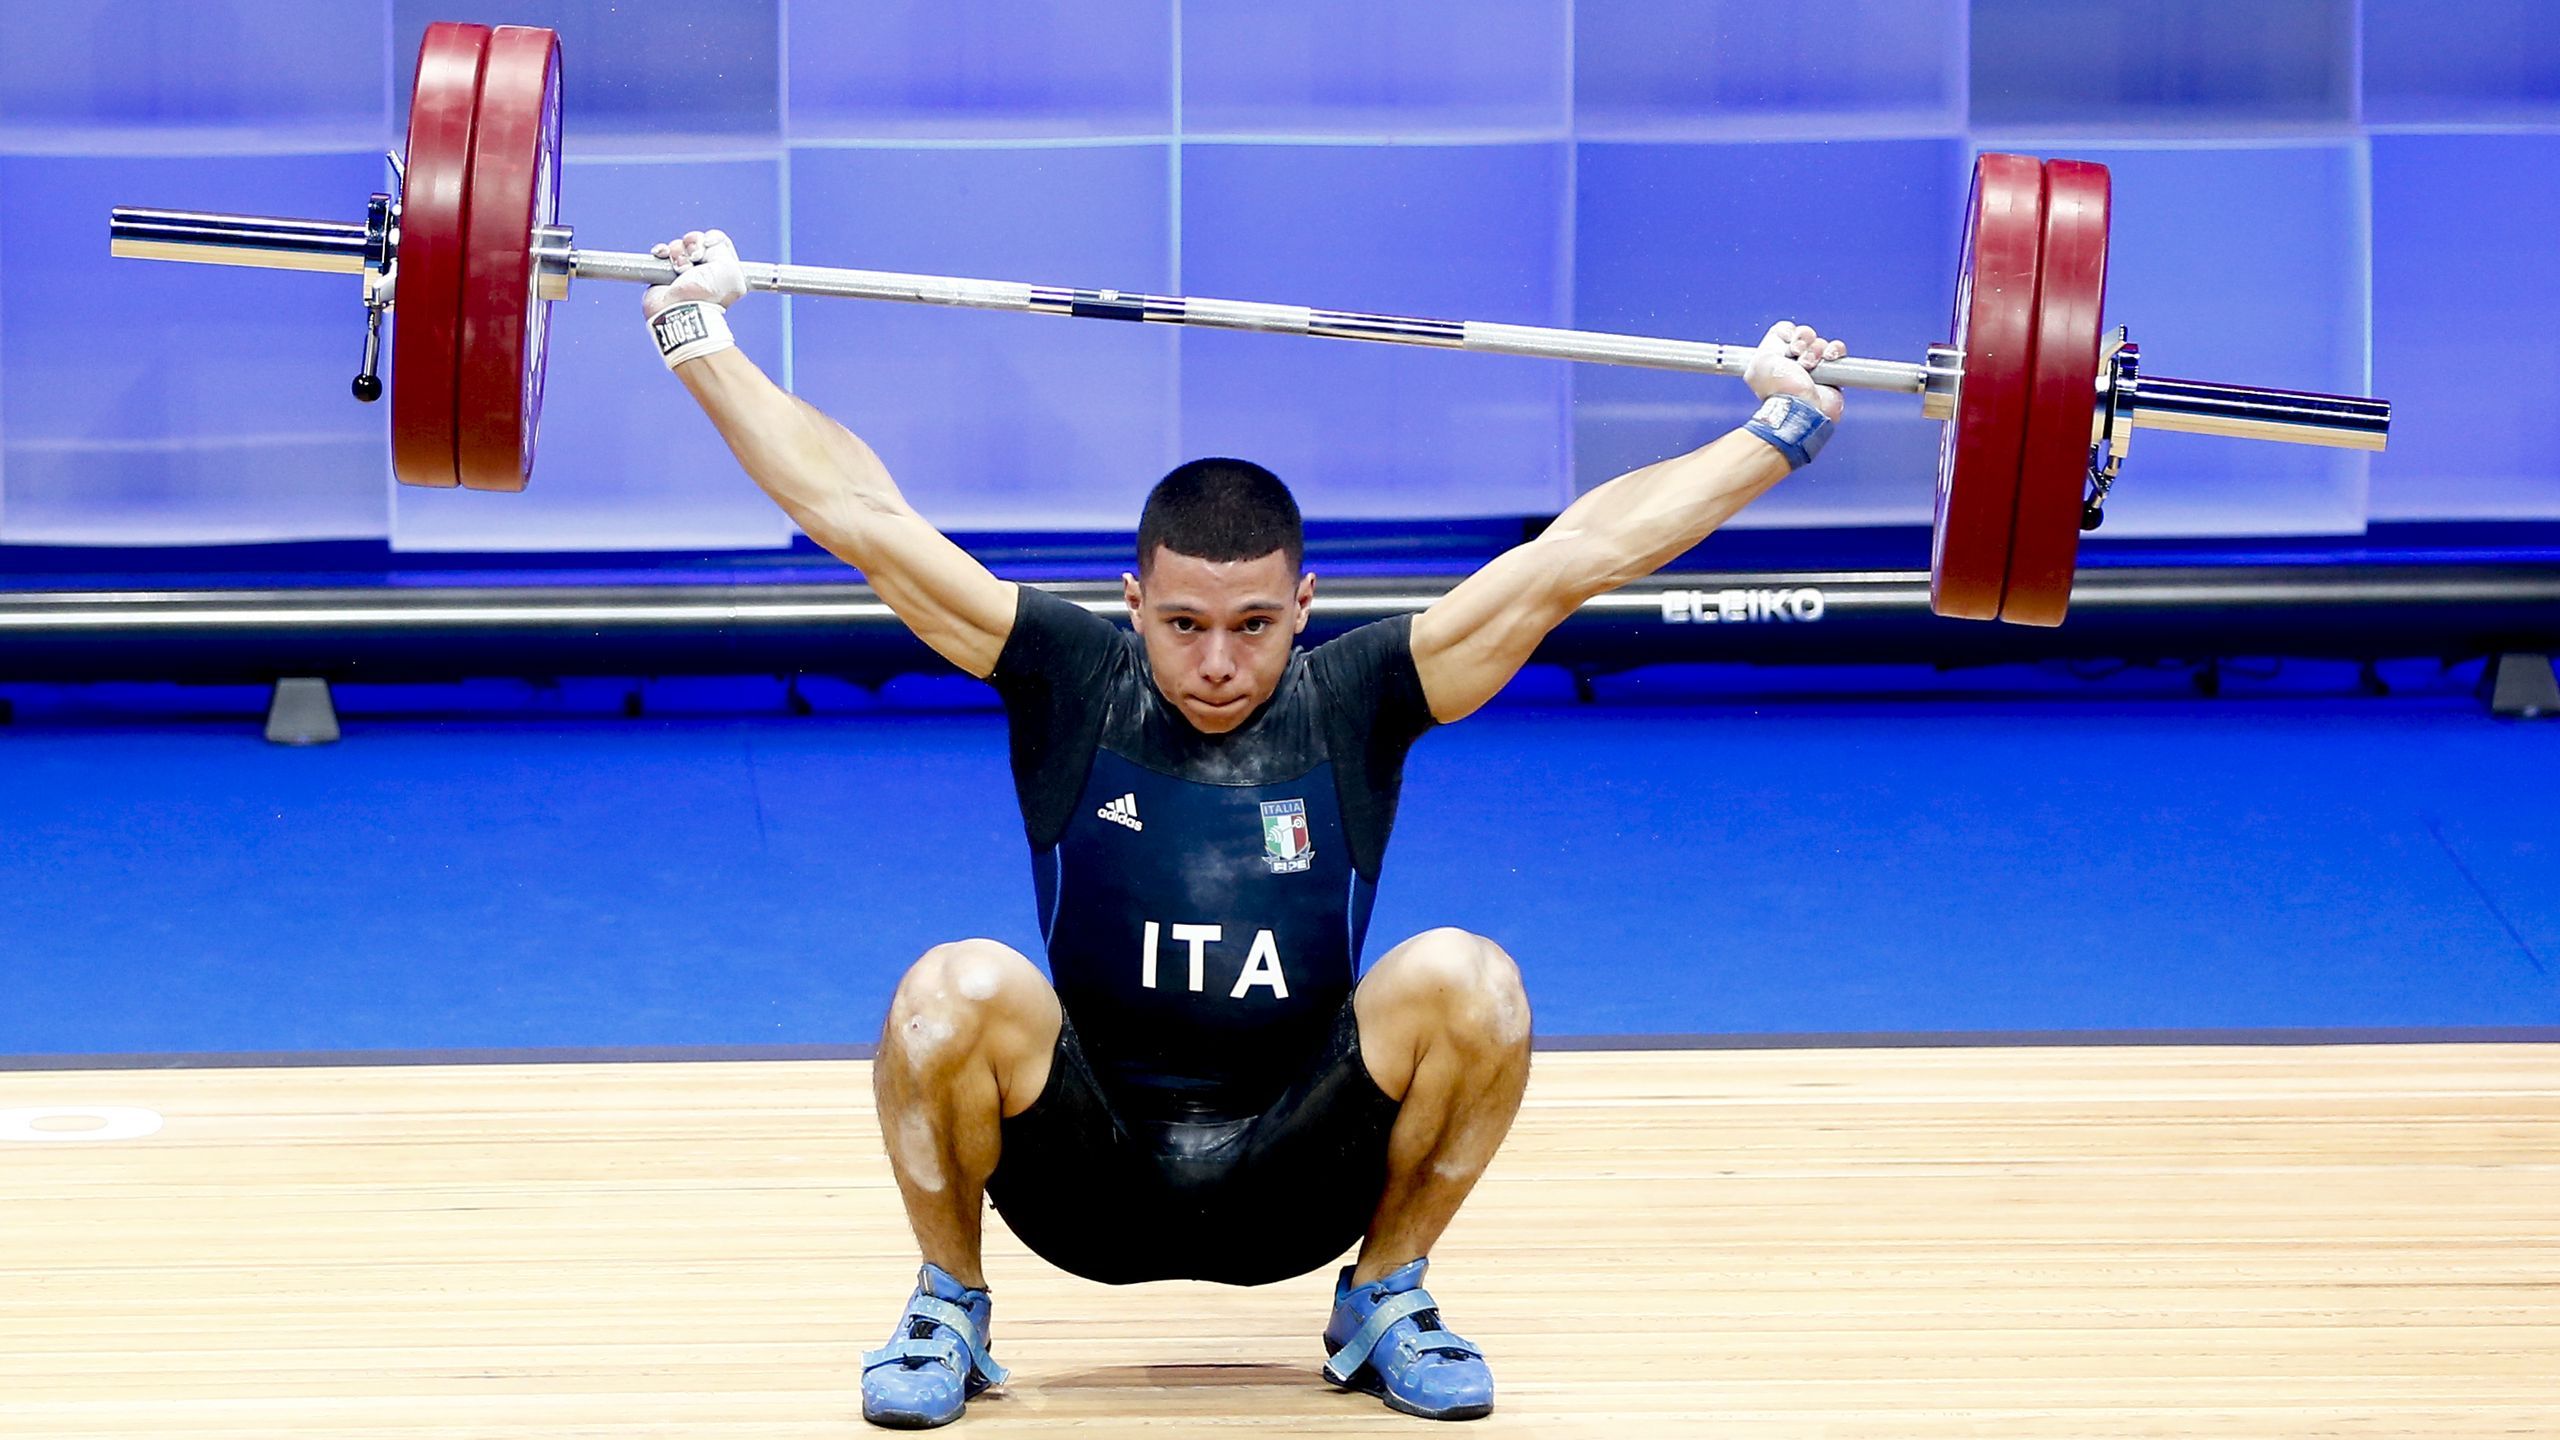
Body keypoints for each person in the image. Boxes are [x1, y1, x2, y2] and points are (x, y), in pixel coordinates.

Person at [644, 229, 1845, 1428]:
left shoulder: (1364, 694)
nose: (1218, 662)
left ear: (1305, 604)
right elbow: (860, 515)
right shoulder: (1067, 675)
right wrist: (700, 338)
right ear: (1133, 602)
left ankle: (1385, 1297)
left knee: (1474, 984)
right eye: (1182, 625)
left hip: (1299, 1171)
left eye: (1256, 625)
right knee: (947, 991)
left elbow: (1573, 557)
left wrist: (1774, 433)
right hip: (1085, 1174)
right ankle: (946, 1305)